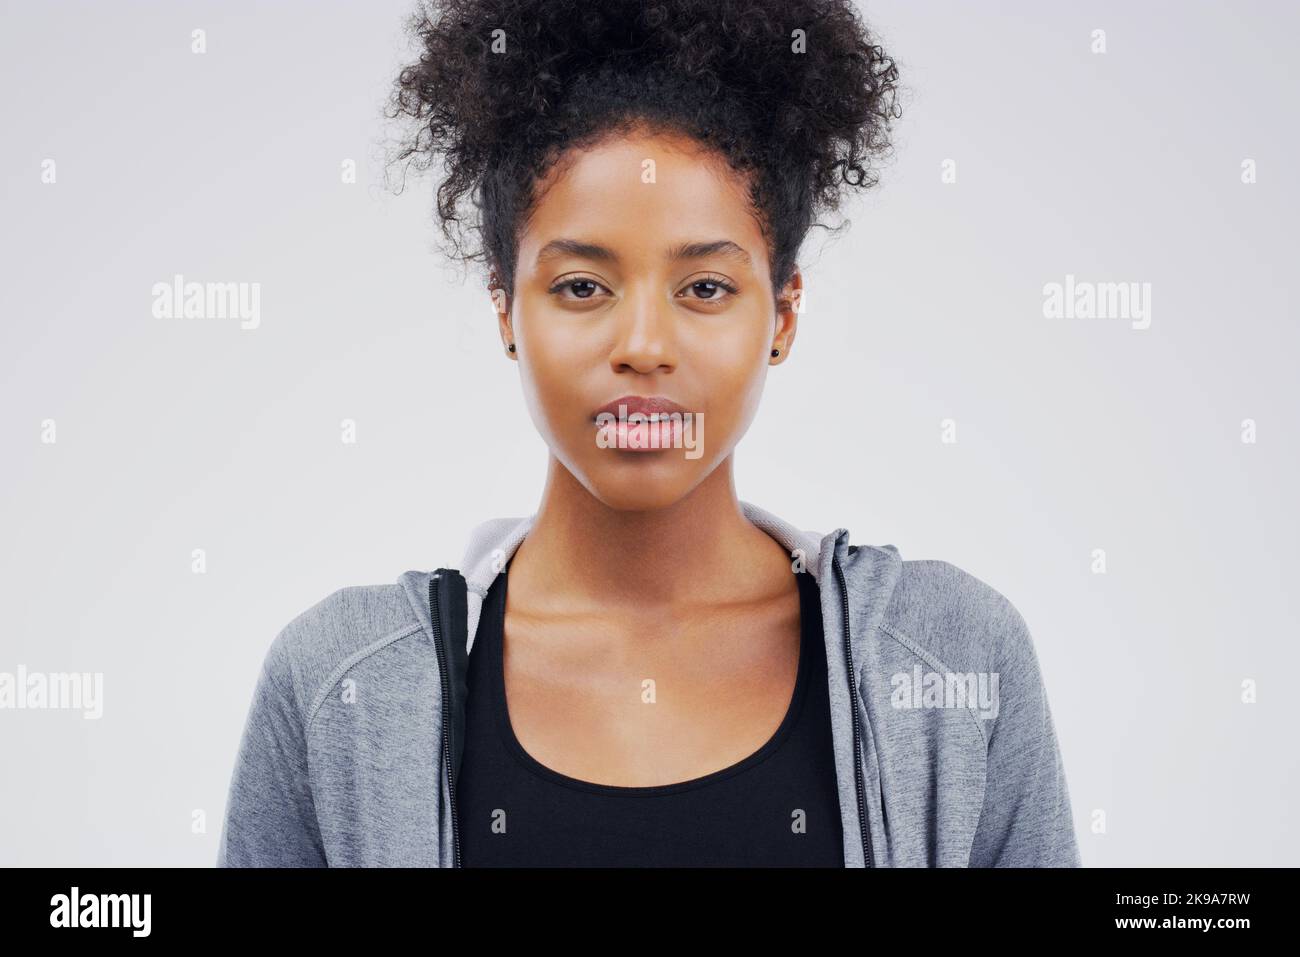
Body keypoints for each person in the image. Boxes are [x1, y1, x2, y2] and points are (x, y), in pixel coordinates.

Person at [217, 0, 1081, 868]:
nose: (643, 347)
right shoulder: (342, 684)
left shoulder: (951, 661)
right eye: (583, 287)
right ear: (504, 307)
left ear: (782, 315)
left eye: (704, 288)